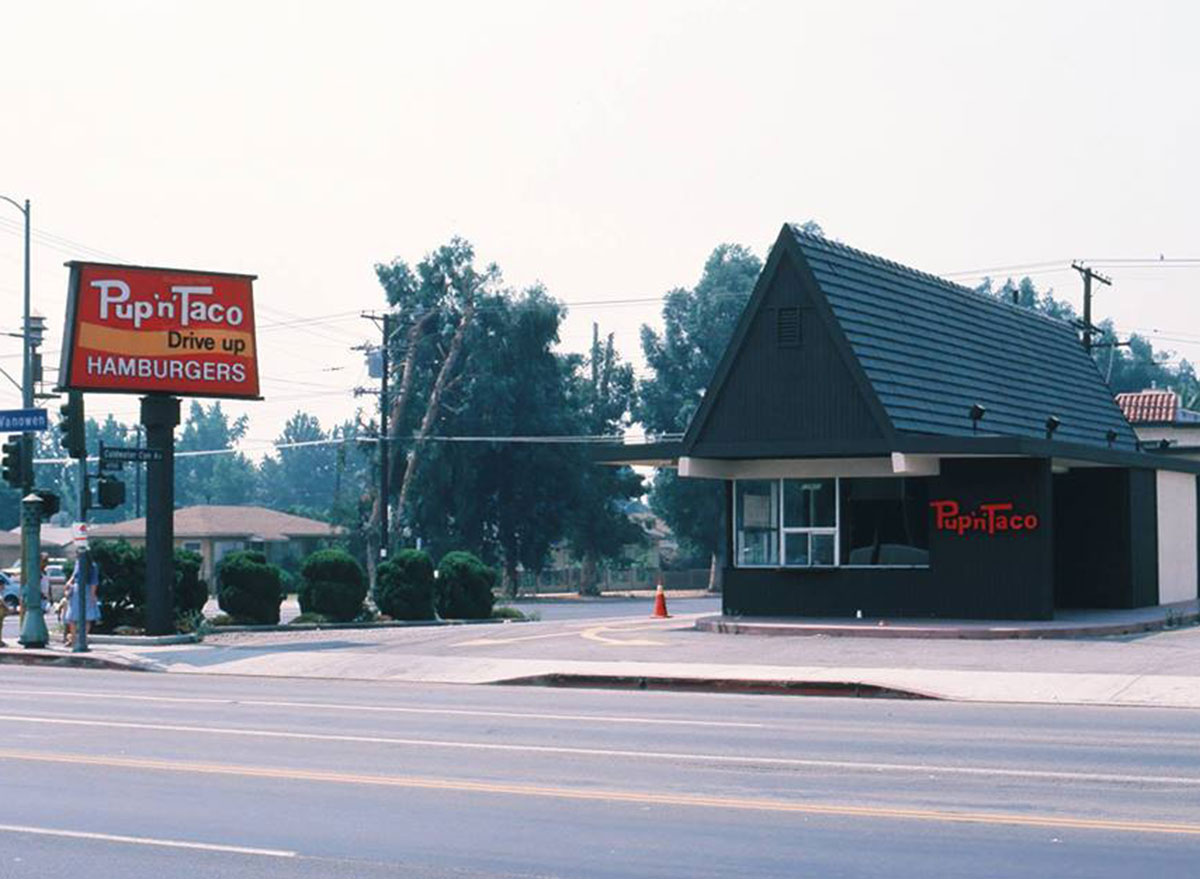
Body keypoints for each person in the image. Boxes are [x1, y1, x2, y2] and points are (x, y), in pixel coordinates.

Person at [64, 554, 100, 647]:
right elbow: (94, 582)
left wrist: (69, 582)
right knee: (87, 616)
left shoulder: (79, 563)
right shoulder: (93, 566)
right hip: (87, 590)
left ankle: (74, 639)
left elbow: (74, 575)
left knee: (72, 615)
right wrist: (93, 595)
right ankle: (82, 639)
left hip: (77, 589)